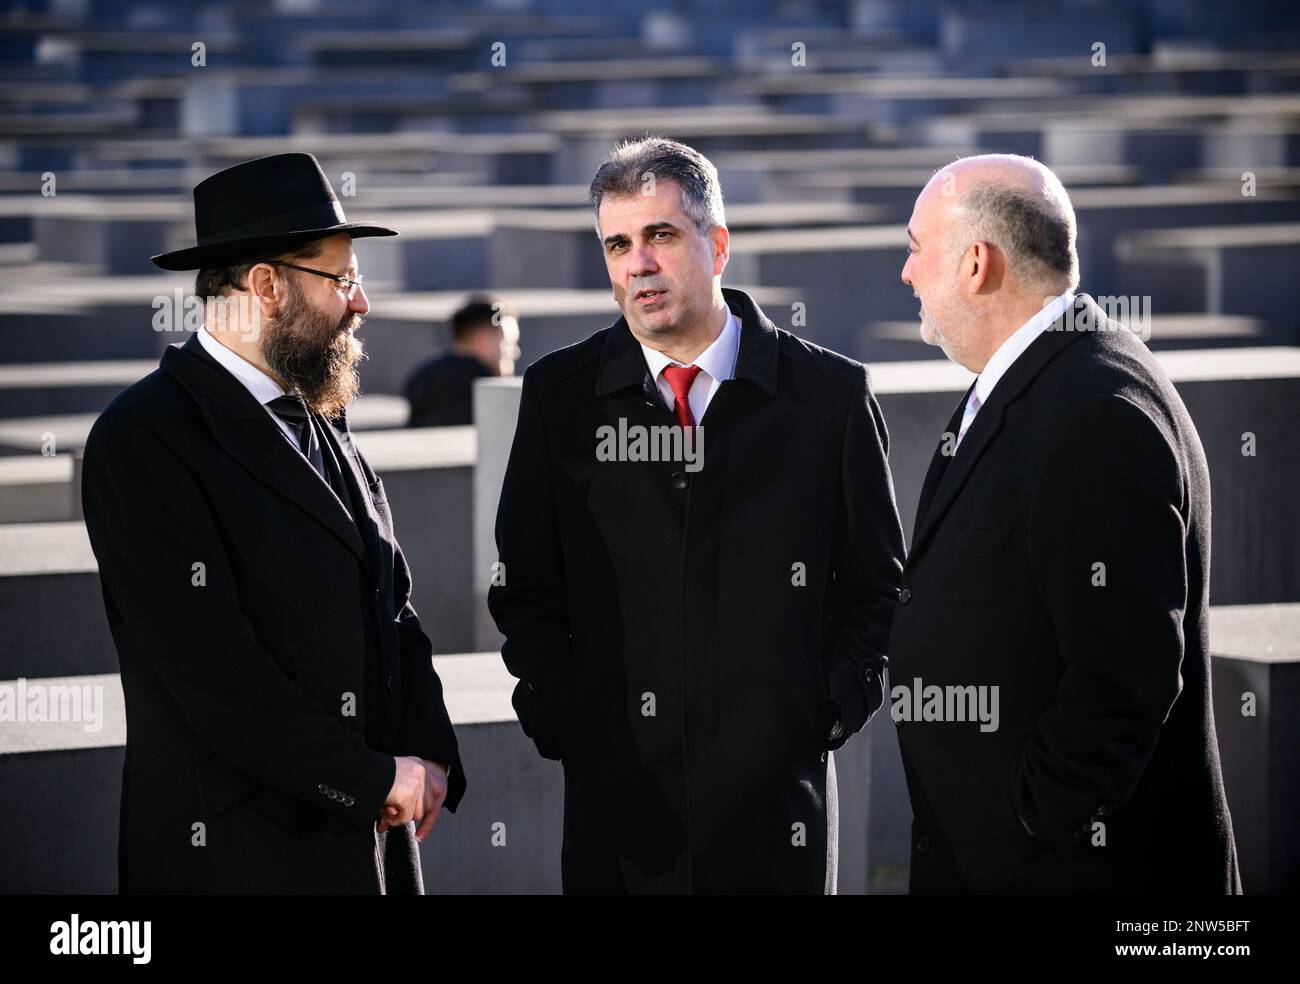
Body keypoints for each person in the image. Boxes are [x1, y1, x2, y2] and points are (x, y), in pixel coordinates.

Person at [488, 137, 905, 893]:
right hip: (618, 818)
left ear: (716, 244)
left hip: (778, 816)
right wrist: (565, 721)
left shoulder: (830, 398)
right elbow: (526, 589)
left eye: (660, 236)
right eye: (617, 244)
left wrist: (824, 713)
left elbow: (877, 589)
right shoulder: (559, 397)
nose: (637, 264)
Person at [81, 152, 466, 893]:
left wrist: (431, 751)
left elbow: (392, 603)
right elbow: (216, 673)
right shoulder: (144, 437)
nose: (361, 303)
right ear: (265, 286)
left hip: (370, 848)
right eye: (343, 278)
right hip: (237, 860)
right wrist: (369, 776)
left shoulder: (322, 411)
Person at [891, 153, 1241, 893]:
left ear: (976, 264)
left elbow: (1124, 686)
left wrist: (1018, 825)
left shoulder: (1097, 413)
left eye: (917, 249)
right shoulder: (1046, 375)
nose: (906, 273)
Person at [404, 295, 520, 427]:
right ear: (483, 340)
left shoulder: (423, 382)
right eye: (509, 343)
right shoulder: (488, 399)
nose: (515, 353)